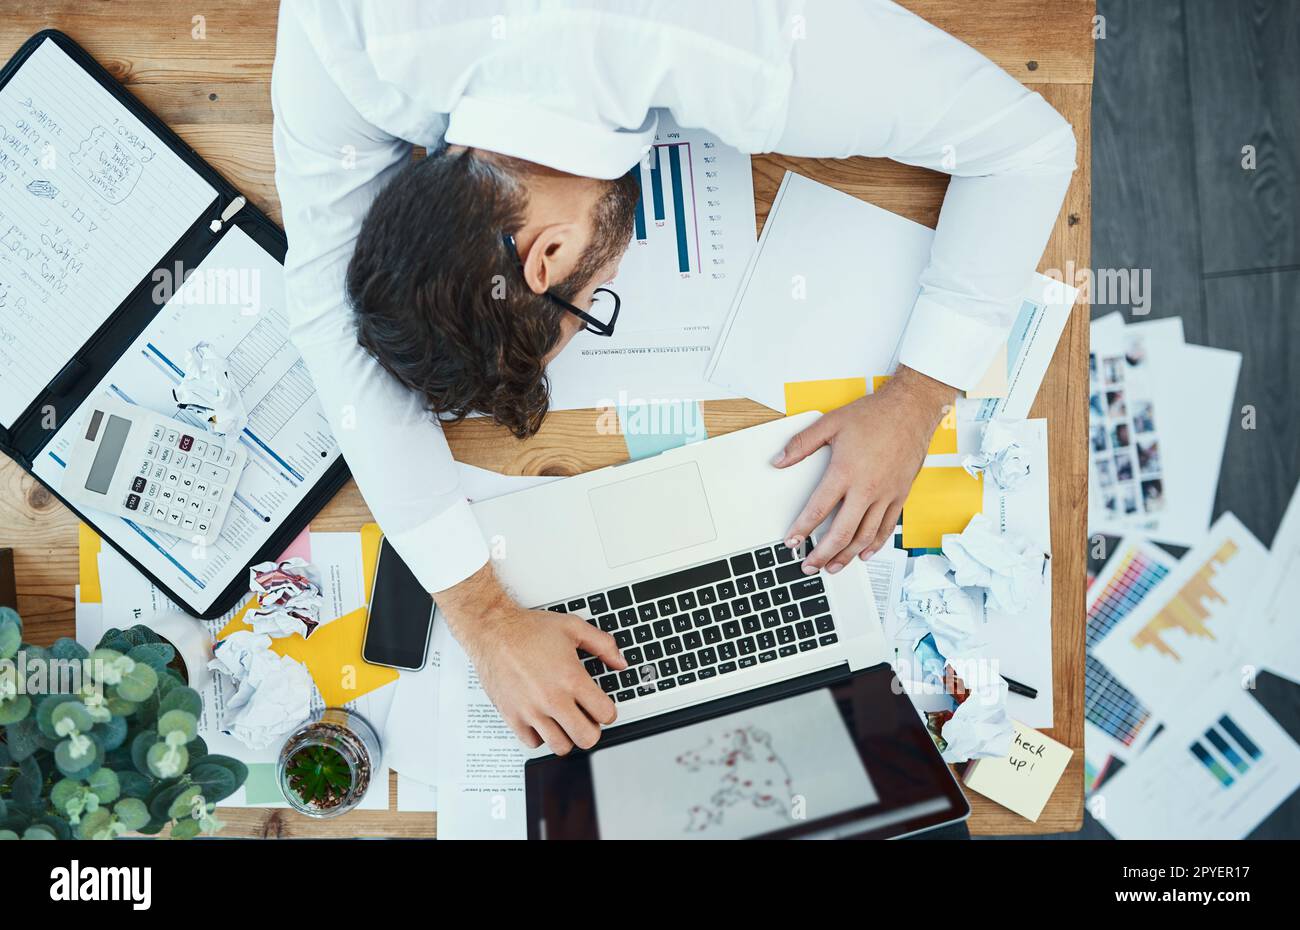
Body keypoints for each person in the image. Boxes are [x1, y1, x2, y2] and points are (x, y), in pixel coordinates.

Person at [272, 0, 1076, 755]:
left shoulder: (747, 55)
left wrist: (920, 397)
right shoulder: (350, 35)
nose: (596, 299)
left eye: (587, 308)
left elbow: (1027, 147)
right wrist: (478, 612)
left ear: (547, 256)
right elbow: (323, 306)